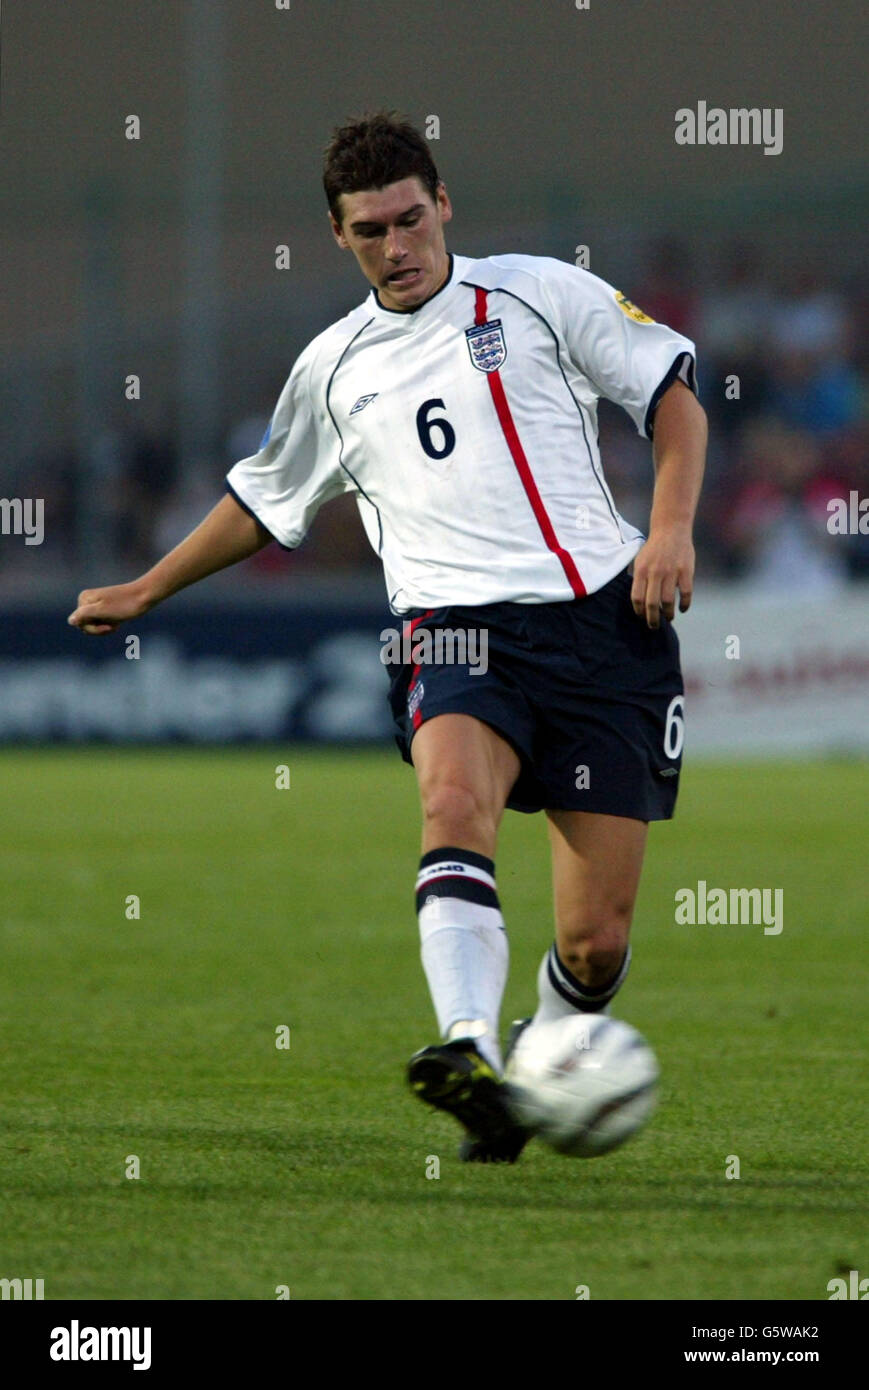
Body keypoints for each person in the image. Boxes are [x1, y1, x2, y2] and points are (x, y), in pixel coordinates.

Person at [69, 112, 707, 1163]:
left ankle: (530, 1063)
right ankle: (464, 1046)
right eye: (369, 232)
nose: (396, 247)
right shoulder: (331, 368)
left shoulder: (541, 293)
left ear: (443, 203)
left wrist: (670, 529)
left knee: (595, 945)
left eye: (410, 220)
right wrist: (147, 587)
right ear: (338, 237)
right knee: (451, 800)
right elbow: (261, 500)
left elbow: (672, 399)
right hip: (451, 630)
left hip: (605, 628)